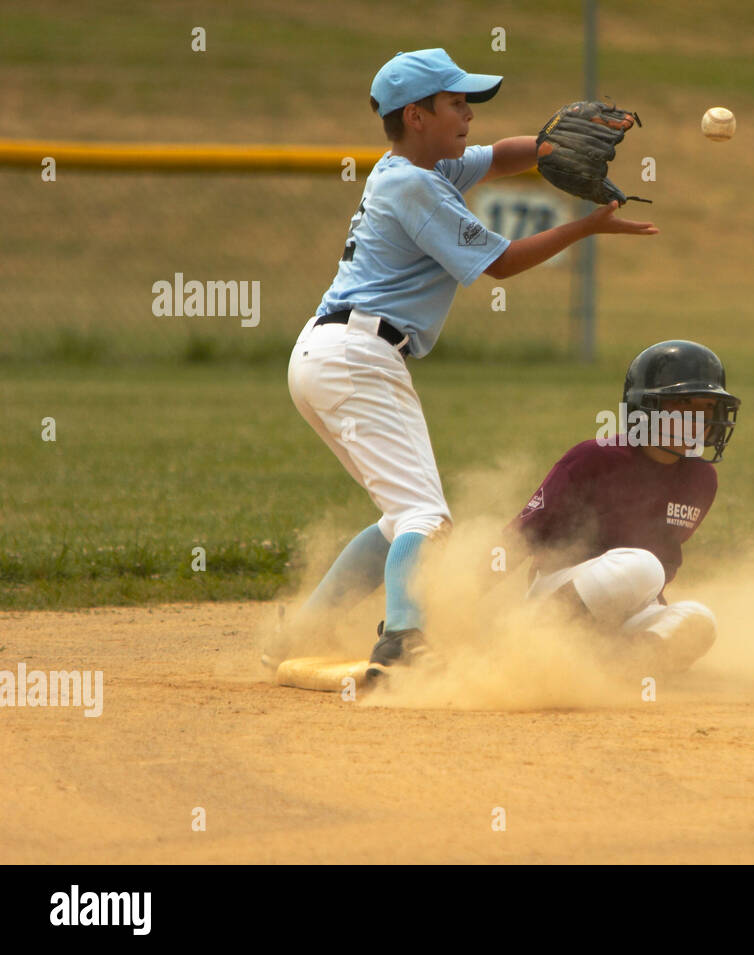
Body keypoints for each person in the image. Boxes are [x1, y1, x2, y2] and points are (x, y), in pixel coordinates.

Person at [274, 48, 657, 680]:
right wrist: (586, 229)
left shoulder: (418, 167)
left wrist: (544, 148)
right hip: (357, 356)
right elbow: (501, 263)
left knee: (402, 517)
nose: (469, 115)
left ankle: (304, 632)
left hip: (333, 354)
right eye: (457, 103)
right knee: (424, 519)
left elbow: (502, 157)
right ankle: (402, 640)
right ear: (416, 115)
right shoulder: (415, 186)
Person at [505, 341, 740, 676]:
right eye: (682, 406)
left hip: (625, 606)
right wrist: (459, 603)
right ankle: (532, 645)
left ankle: (605, 669)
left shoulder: (703, 479)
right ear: (644, 409)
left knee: (699, 621)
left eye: (705, 409)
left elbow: (663, 558)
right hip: (557, 593)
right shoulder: (595, 457)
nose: (695, 421)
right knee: (644, 566)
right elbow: (519, 538)